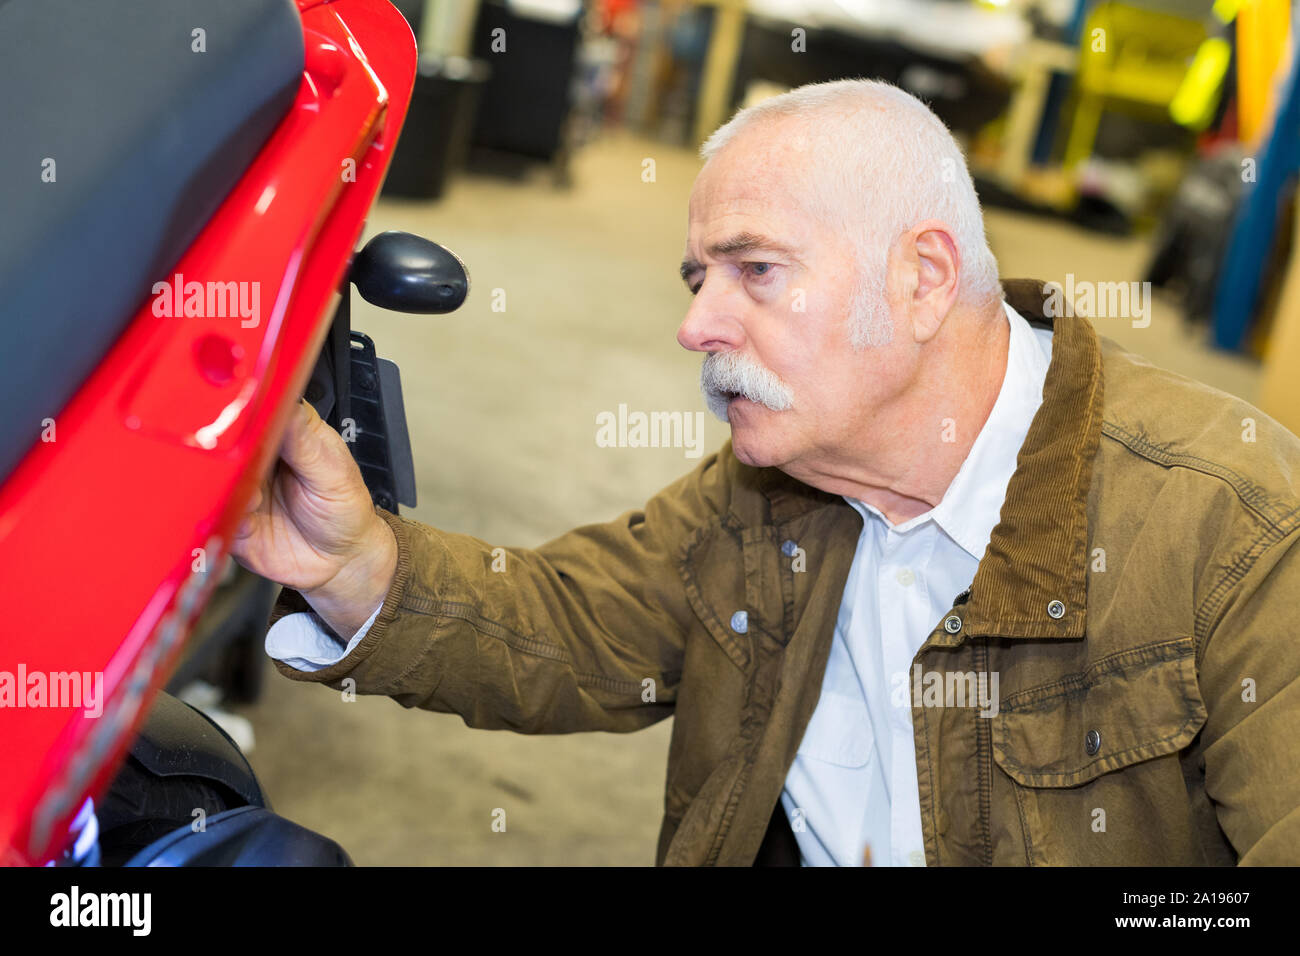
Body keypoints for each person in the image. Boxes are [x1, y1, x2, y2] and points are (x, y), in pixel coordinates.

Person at [232, 79, 1300, 866]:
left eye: (755, 270)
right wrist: (357, 564)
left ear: (923, 277)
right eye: (700, 277)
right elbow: (575, 628)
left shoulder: (1231, 526)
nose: (697, 324)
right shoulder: (773, 485)